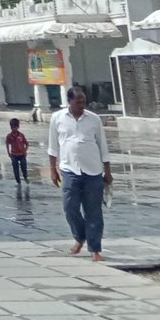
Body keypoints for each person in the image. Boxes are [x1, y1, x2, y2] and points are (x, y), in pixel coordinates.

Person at [48, 88, 112, 261]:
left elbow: (103, 146)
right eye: (78, 101)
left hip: (93, 171)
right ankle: (80, 235)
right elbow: (53, 147)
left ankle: (95, 248)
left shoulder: (94, 119)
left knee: (93, 211)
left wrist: (107, 171)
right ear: (69, 101)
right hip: (69, 169)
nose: (82, 104)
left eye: (83, 101)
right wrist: (53, 170)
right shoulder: (57, 118)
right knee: (69, 207)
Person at [5, 118, 29, 187]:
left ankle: (25, 177)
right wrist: (8, 152)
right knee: (15, 168)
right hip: (14, 155)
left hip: (22, 154)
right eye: (12, 127)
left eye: (15, 127)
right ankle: (18, 181)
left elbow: (27, 144)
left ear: (18, 127)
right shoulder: (9, 136)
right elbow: (7, 144)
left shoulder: (21, 135)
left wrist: (25, 151)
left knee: (24, 167)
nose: (14, 129)